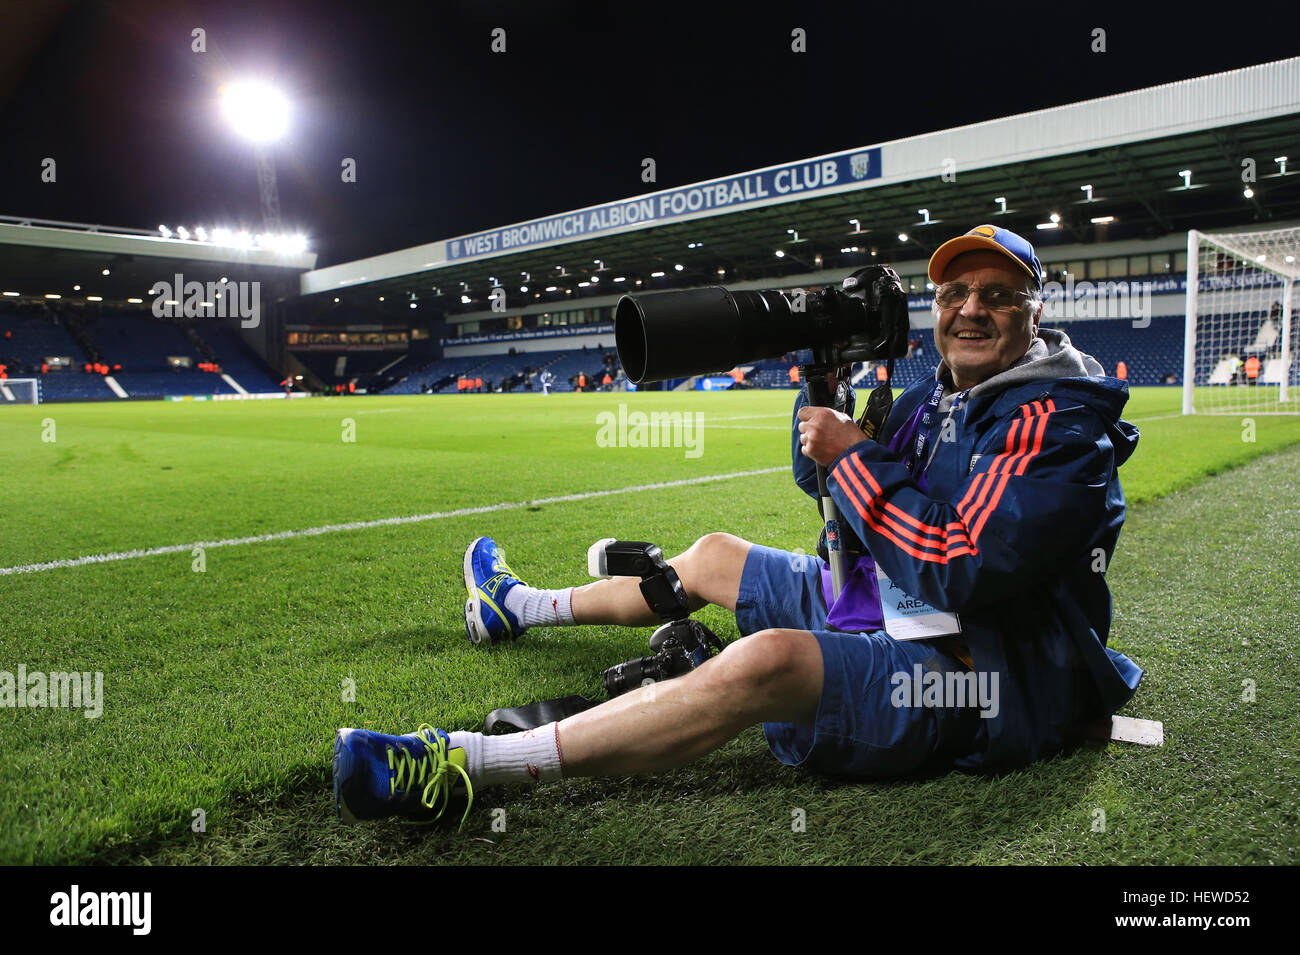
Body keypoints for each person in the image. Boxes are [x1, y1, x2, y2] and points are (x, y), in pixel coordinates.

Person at [332, 224, 1143, 827]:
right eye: (956, 294)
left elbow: (964, 561)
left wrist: (857, 455)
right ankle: (525, 604)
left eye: (998, 295)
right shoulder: (945, 397)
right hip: (908, 614)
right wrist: (823, 386)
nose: (971, 309)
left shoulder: (1057, 421)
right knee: (718, 554)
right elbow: (821, 484)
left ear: (1036, 310)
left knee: (767, 662)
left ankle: (475, 764)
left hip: (979, 677)